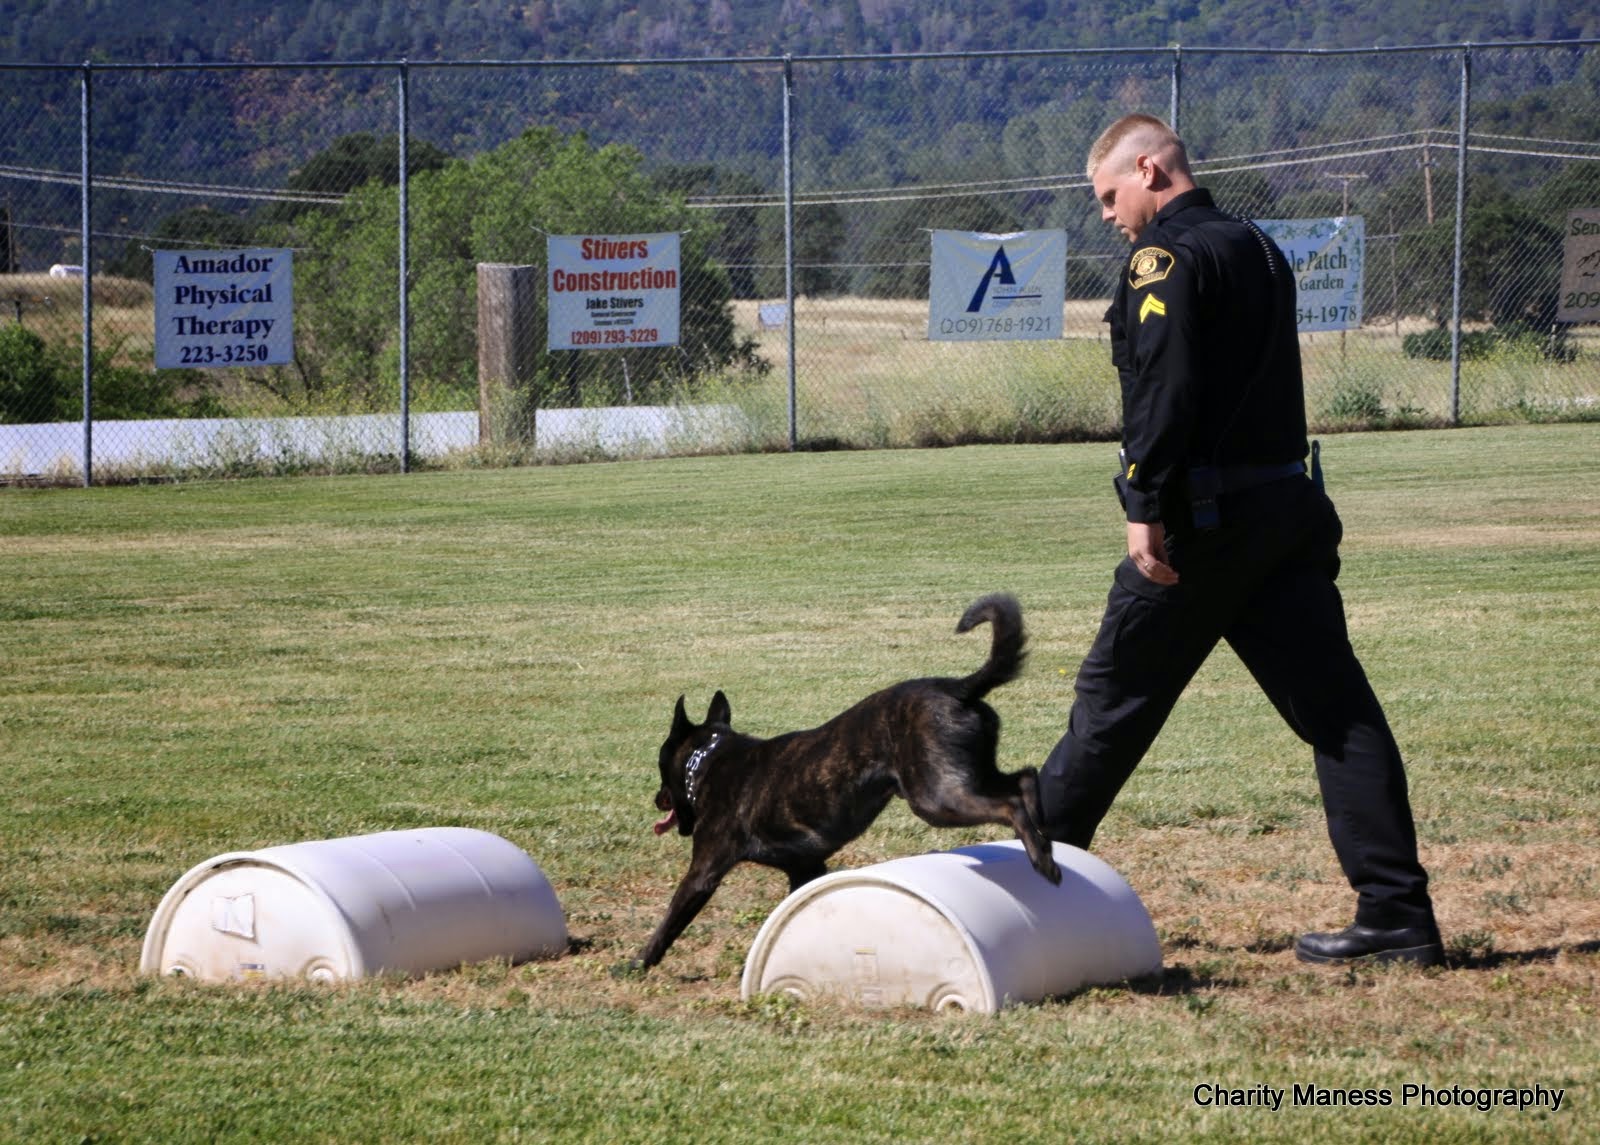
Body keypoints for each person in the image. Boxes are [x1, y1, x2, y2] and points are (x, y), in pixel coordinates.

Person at [1037, 114, 1443, 967]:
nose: (1108, 216)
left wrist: (1142, 499)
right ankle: (1397, 912)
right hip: (1285, 512)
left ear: (1150, 170)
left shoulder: (1165, 258)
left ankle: (1022, 890)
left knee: (1110, 706)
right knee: (1338, 713)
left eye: (1109, 196)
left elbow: (1165, 386)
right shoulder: (1259, 246)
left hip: (1204, 525)